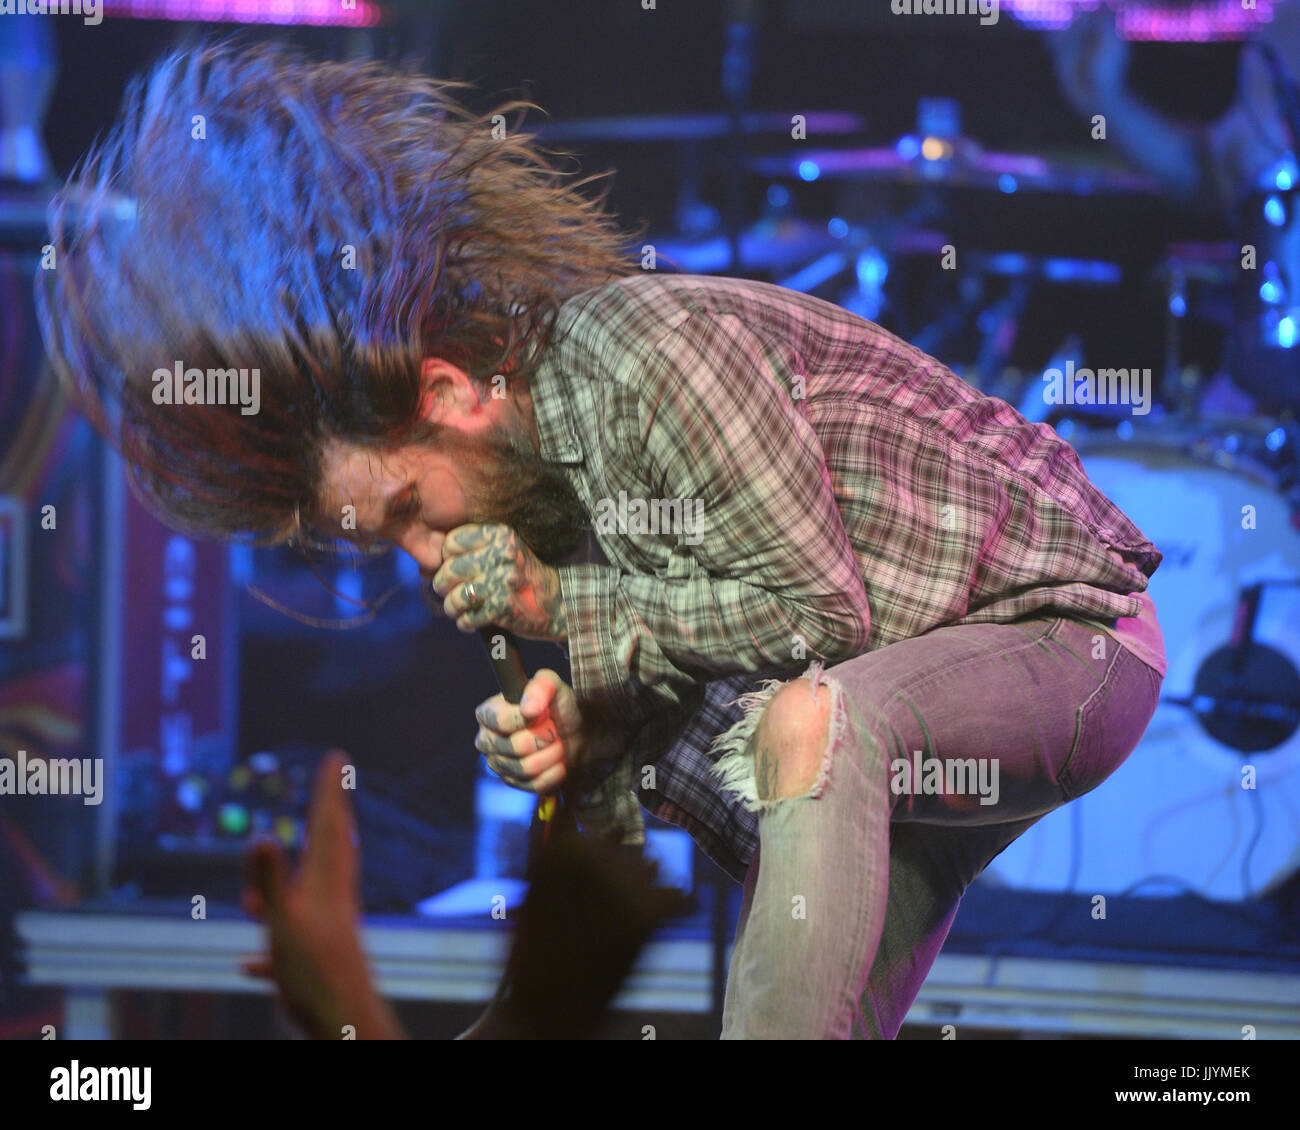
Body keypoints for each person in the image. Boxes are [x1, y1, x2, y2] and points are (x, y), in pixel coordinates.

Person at [39, 41, 1167, 1039]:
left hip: (1065, 638)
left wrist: (558, 612)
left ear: (447, 393)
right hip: (900, 697)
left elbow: (820, 617)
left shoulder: (640, 355)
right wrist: (591, 742)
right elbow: (695, 774)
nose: (426, 558)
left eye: (406, 512)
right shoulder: (555, 504)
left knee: (819, 722)